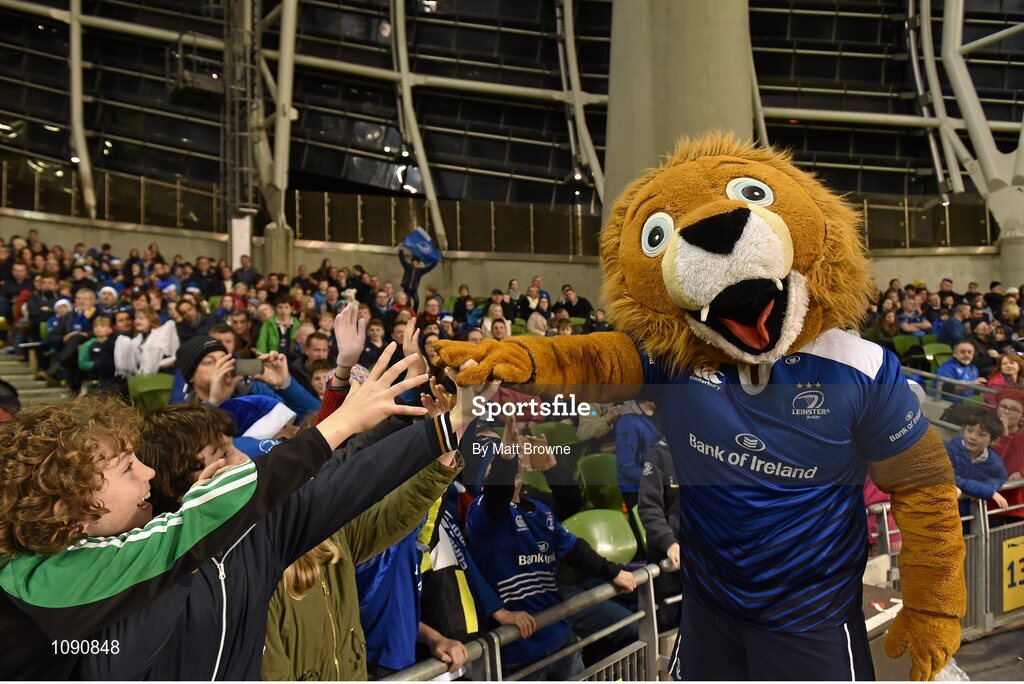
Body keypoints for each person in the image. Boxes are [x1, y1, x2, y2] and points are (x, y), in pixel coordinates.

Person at [75, 343, 467, 680]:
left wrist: (447, 430)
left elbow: (351, 475)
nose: (242, 461)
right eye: (224, 455)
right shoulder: (115, 573)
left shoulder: (265, 534)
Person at [466, 417, 636, 680]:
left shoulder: (538, 508)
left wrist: (612, 571)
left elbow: (572, 544)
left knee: (629, 626)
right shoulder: (481, 514)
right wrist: (508, 448)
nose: (509, 461)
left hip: (559, 637)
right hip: (520, 653)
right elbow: (496, 494)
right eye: (497, 459)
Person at [637, 438, 683, 629]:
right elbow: (649, 508)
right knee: (667, 627)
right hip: (668, 564)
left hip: (705, 563)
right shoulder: (660, 453)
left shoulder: (714, 452)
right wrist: (669, 542)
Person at [944, 410, 1008, 533]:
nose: (973, 437)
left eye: (981, 435)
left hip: (970, 518)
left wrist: (986, 488)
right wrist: (985, 491)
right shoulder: (948, 449)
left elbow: (1000, 477)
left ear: (994, 441)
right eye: (969, 430)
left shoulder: (993, 459)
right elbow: (953, 478)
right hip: (944, 514)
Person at [616, 400, 661, 549]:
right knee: (645, 543)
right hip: (636, 490)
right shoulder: (628, 421)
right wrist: (657, 478)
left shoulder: (660, 415)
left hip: (656, 485)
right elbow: (626, 467)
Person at [113, 309, 179, 378]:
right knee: (122, 340)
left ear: (151, 320)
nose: (137, 321)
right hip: (140, 379)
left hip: (161, 376)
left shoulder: (161, 334)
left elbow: (173, 357)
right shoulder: (136, 340)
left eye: (141, 318)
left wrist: (157, 365)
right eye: (136, 318)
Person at [991, 389, 1024, 526]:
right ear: (996, 409)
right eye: (1003, 407)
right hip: (992, 504)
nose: (1007, 412)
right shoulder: (985, 433)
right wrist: (1004, 435)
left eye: (1014, 409)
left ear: (1022, 416)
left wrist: (1021, 472)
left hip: (1018, 504)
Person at [398, 247, 436, 312]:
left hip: (414, 289)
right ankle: (407, 312)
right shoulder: (408, 267)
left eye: (416, 262)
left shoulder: (420, 271)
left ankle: (414, 313)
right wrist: (400, 251)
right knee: (407, 302)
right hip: (406, 288)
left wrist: (435, 262)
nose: (414, 263)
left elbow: (428, 268)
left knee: (417, 301)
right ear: (411, 262)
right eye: (413, 261)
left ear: (418, 263)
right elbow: (402, 260)